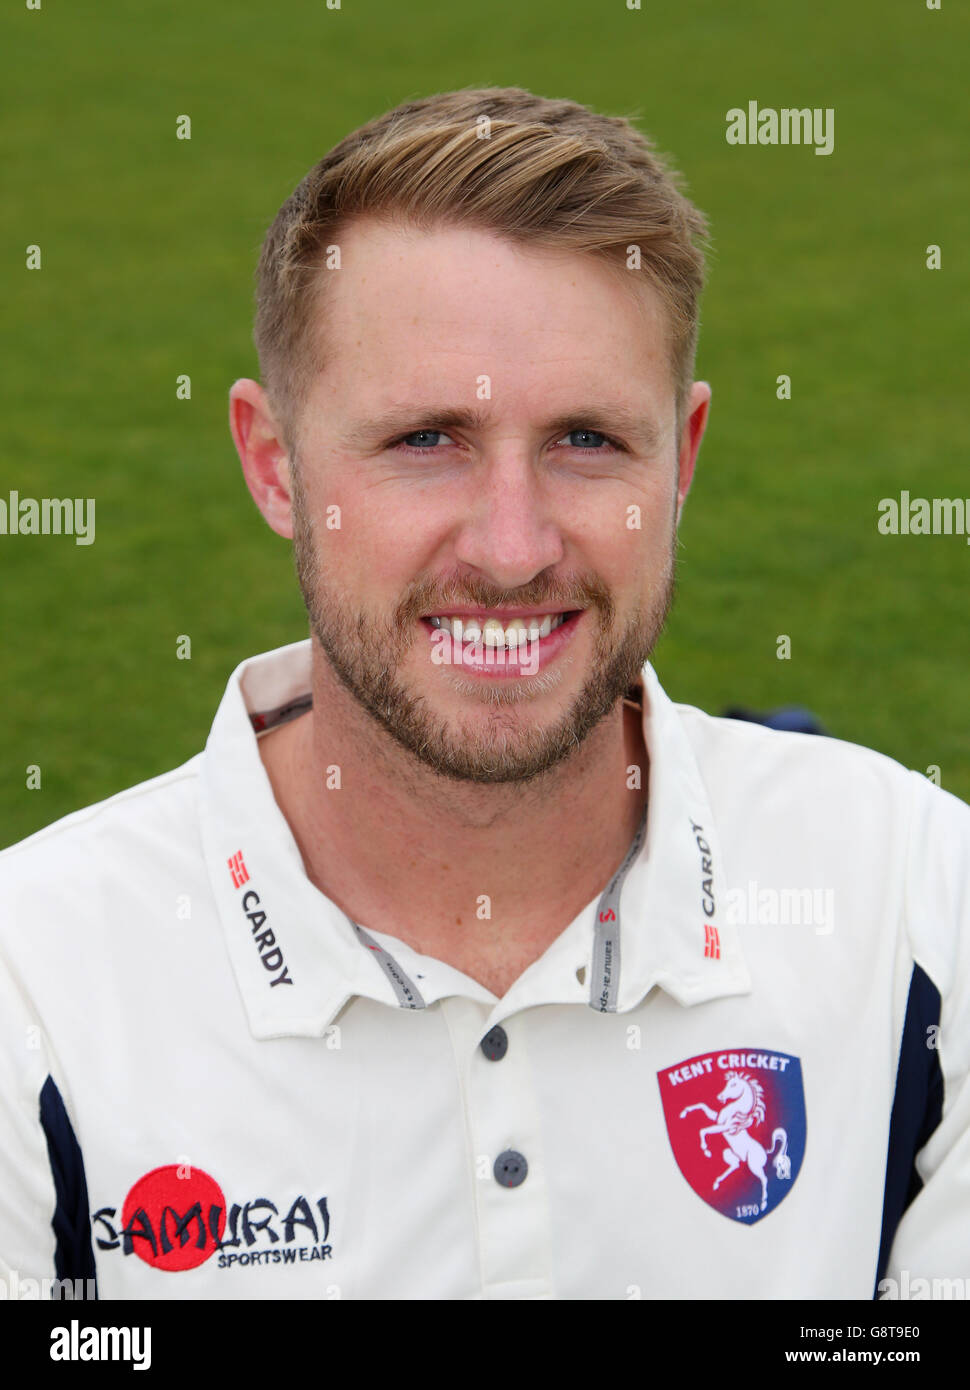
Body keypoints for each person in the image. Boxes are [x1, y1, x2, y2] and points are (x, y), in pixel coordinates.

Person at [0, 85, 966, 1302]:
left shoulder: (924, 903)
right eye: (424, 441)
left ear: (684, 462)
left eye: (586, 442)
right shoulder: (32, 982)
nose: (511, 551)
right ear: (276, 467)